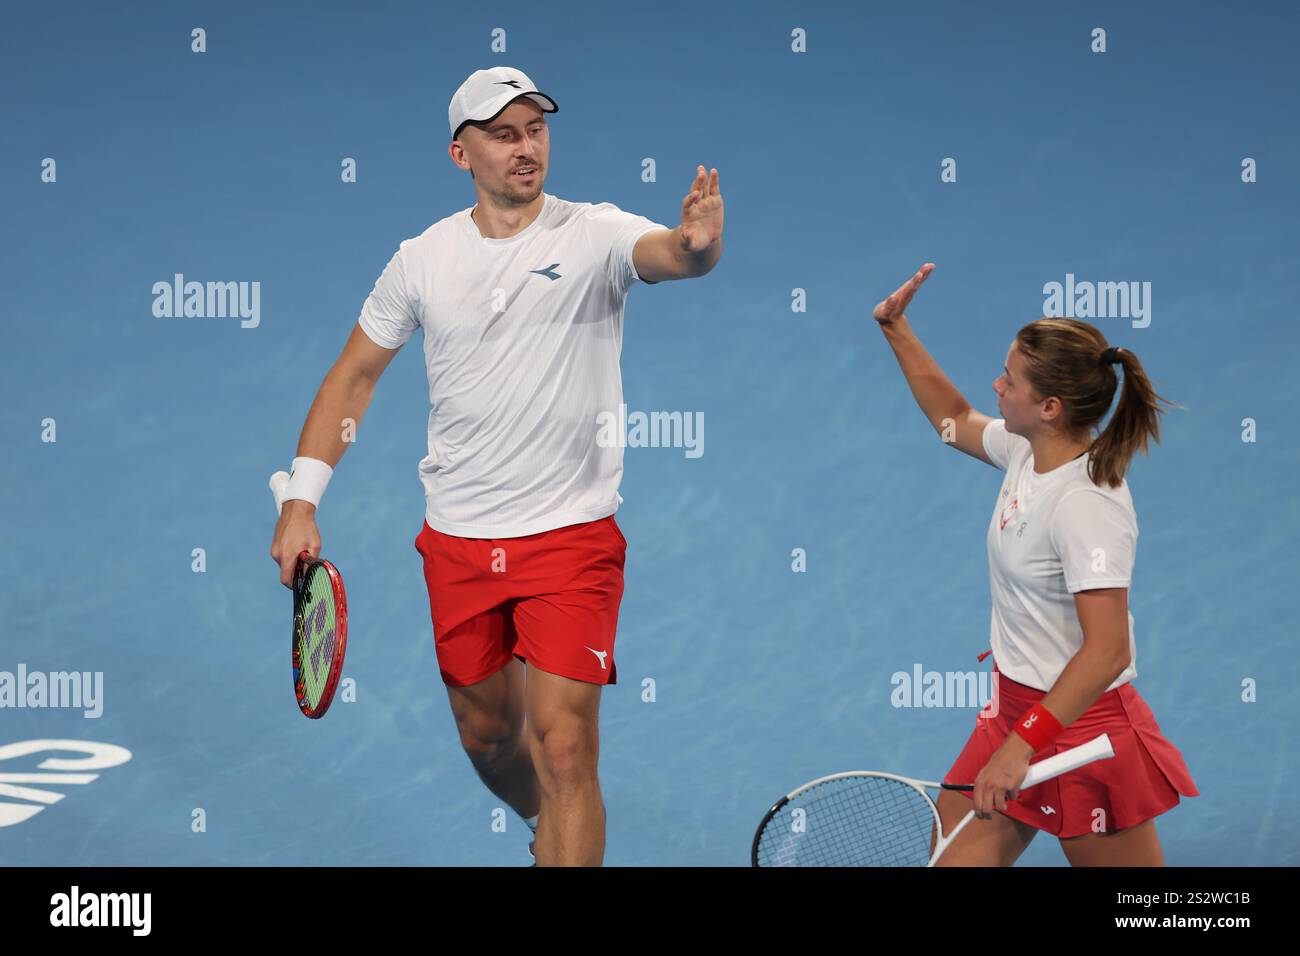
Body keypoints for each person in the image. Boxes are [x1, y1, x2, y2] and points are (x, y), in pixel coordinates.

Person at [269, 66, 723, 866]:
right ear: (460, 154)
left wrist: (694, 245)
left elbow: (670, 257)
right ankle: (549, 829)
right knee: (488, 738)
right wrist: (302, 499)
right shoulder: (421, 260)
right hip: (460, 539)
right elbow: (355, 375)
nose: (526, 148)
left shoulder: (595, 233)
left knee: (565, 747)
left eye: (536, 130)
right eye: (504, 134)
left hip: (570, 538)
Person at [872, 262, 1197, 866]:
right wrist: (896, 328)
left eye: (1009, 378)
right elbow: (956, 424)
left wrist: (1024, 746)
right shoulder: (1028, 452)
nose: (996, 385)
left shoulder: (1085, 504)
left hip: (1083, 730)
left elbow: (1107, 651)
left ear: (1049, 406)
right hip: (1014, 712)